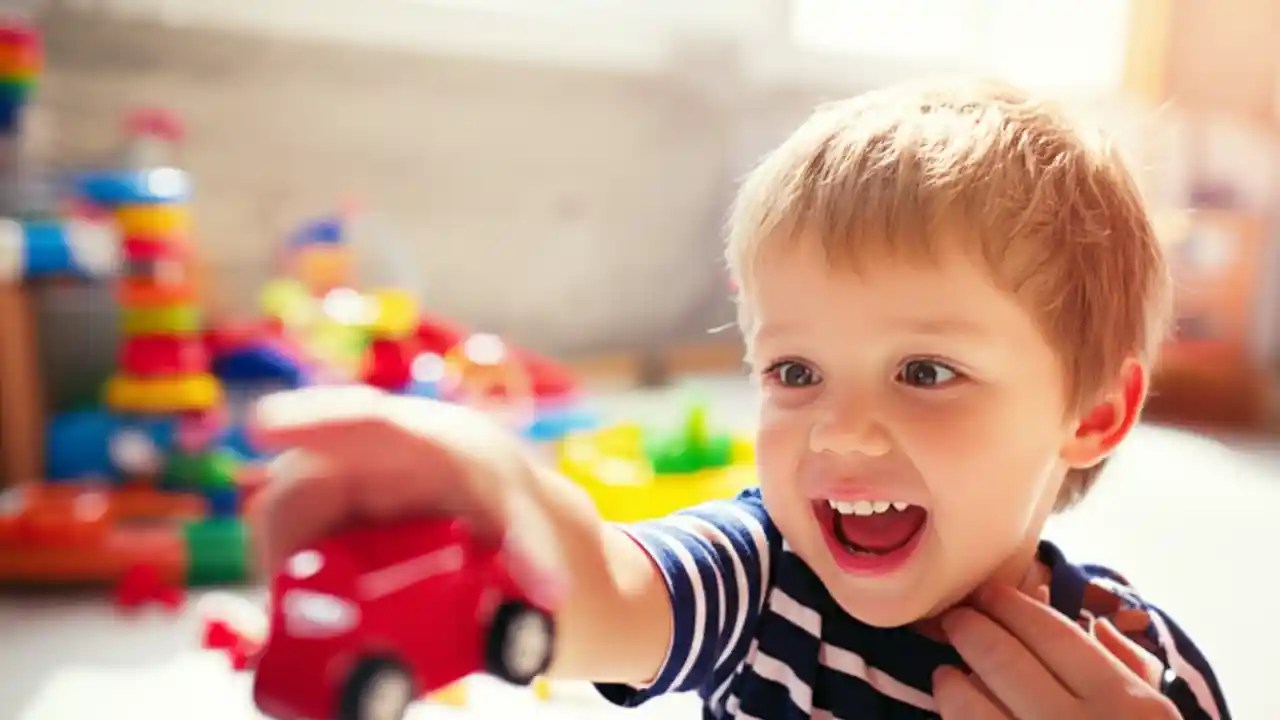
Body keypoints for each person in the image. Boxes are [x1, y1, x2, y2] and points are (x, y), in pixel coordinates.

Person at [249, 80, 1230, 719]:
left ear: (1091, 413)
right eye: (793, 373)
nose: (838, 433)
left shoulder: (1135, 674)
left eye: (925, 372)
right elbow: (601, 586)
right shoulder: (764, 579)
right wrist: (503, 496)